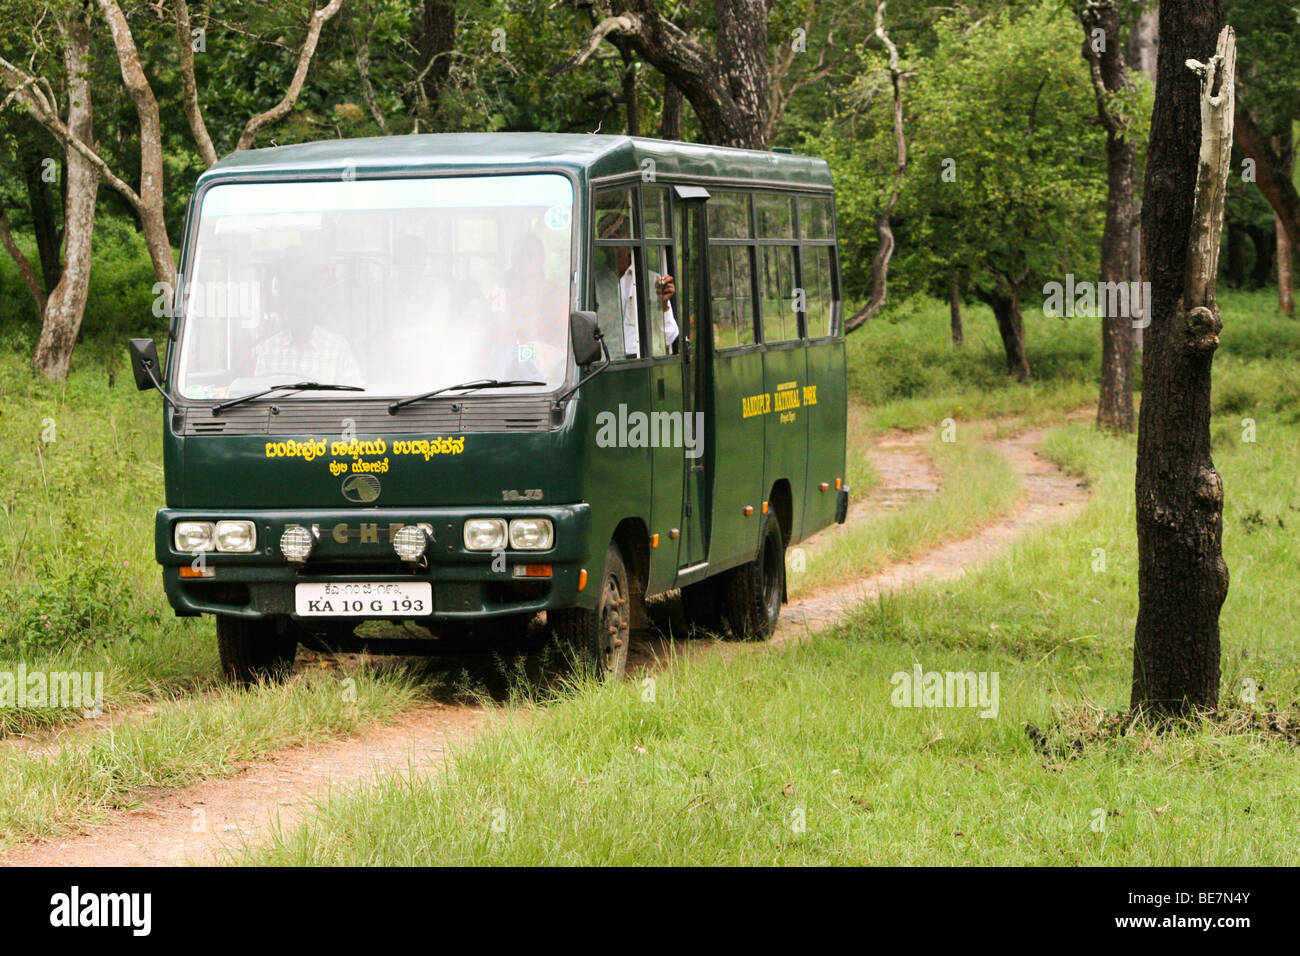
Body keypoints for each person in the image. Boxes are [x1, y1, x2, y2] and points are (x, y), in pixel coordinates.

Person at [253, 247, 364, 385]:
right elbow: (258, 402)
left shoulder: (337, 350)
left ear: (314, 299)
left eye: (302, 291)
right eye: (289, 294)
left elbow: (355, 403)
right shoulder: (269, 349)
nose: (295, 303)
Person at [595, 212, 678, 359]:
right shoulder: (593, 283)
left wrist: (663, 304)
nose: (612, 236)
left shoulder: (652, 281)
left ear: (631, 239)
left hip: (642, 364)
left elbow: (669, 337)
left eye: (618, 231)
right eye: (606, 232)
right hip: (605, 365)